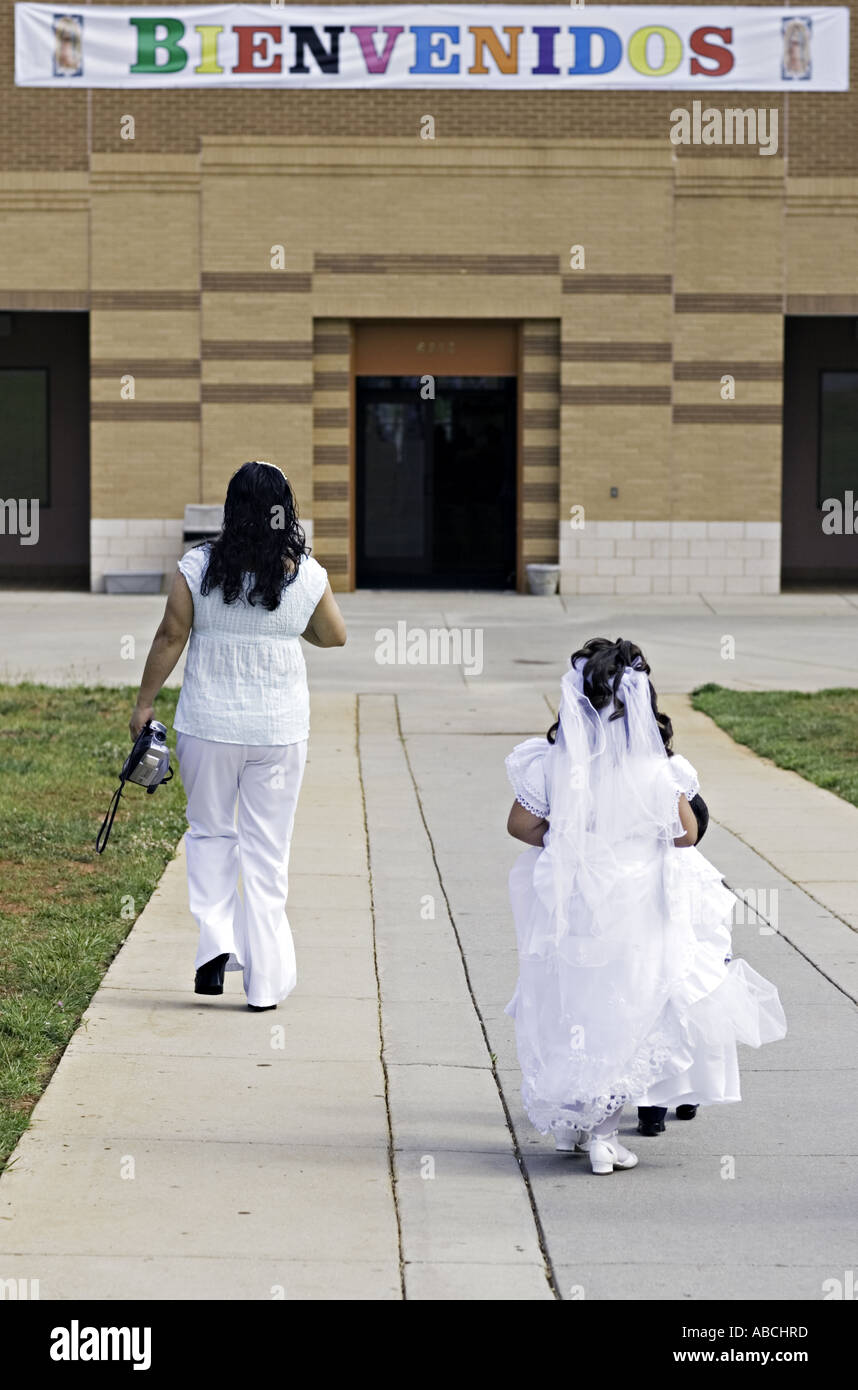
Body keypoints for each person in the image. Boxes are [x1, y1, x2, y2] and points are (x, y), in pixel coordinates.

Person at [504, 637, 787, 1175]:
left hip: (573, 902)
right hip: (636, 907)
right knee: (624, 1005)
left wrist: (569, 842)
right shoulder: (658, 771)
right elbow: (684, 835)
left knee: (573, 1003)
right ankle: (605, 1139)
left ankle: (570, 1125)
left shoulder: (553, 763)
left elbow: (521, 824)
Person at [130, 461, 346, 1011]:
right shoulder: (304, 574)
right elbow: (334, 636)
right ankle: (266, 985)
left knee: (209, 834)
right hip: (278, 732)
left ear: (232, 508)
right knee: (267, 853)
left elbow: (171, 633)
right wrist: (281, 627)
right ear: (284, 510)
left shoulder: (197, 566)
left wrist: (144, 702)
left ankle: (215, 946)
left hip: (209, 727)